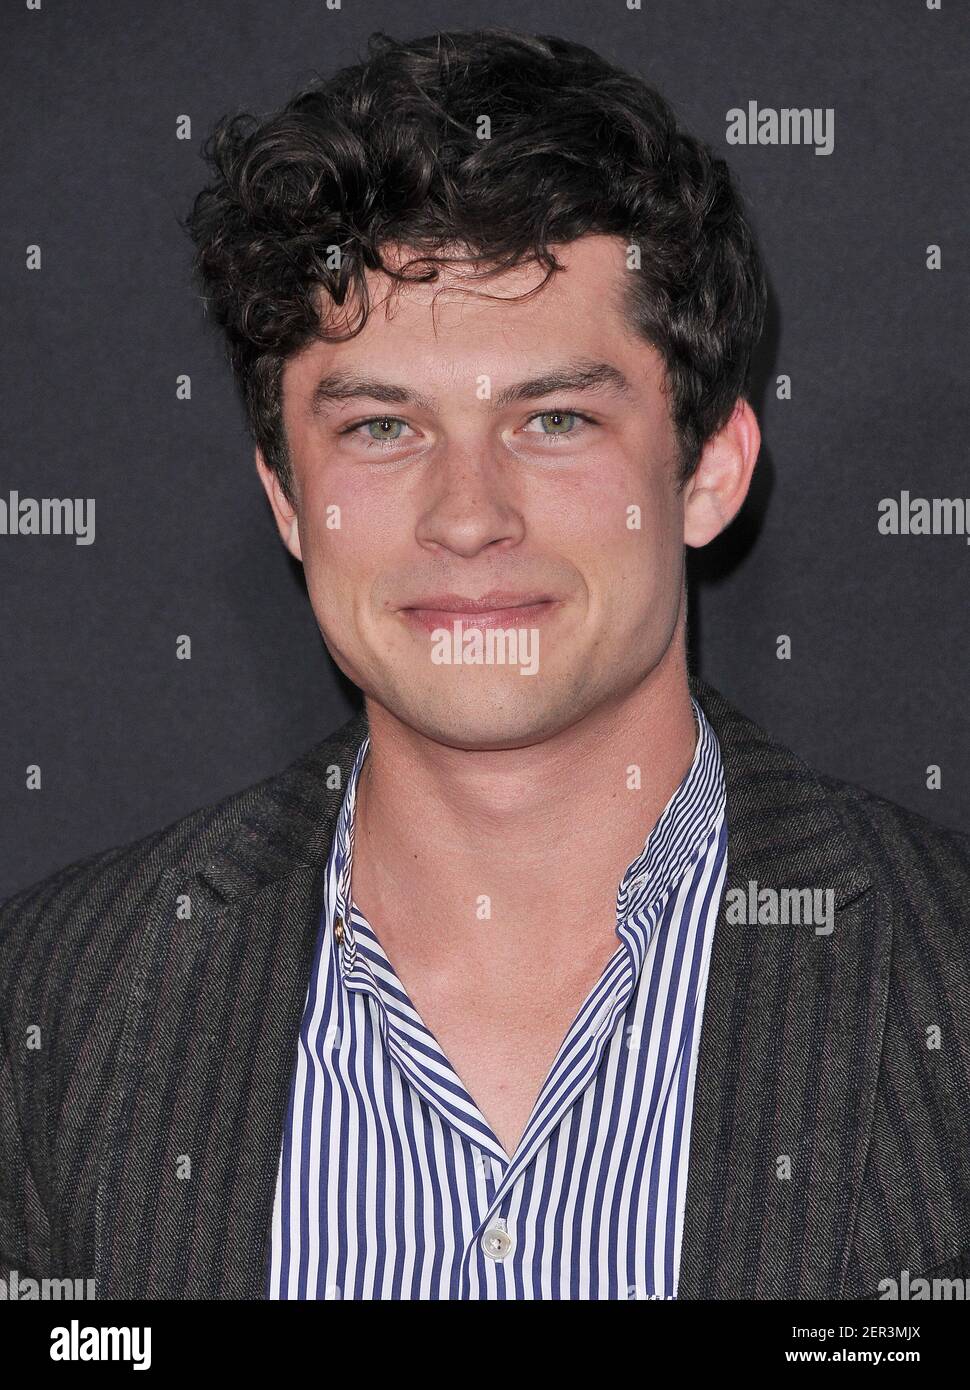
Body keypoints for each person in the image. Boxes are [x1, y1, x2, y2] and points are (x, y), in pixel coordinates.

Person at [2, 27, 969, 1302]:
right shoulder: (54, 1005)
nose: (467, 517)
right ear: (287, 499)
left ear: (707, 472)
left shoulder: (944, 979)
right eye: (381, 427)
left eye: (553, 419)